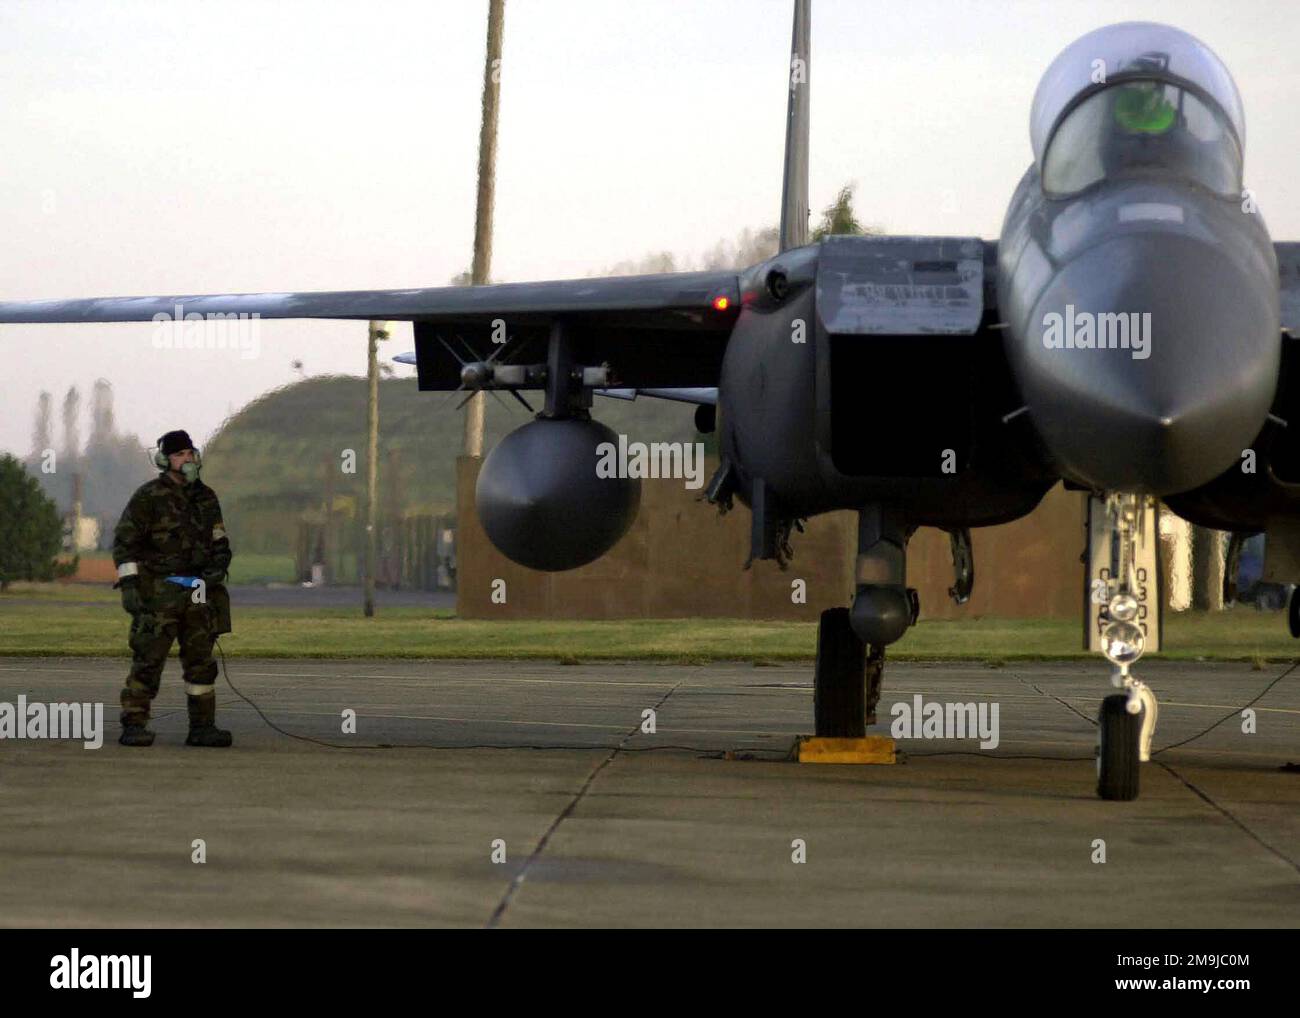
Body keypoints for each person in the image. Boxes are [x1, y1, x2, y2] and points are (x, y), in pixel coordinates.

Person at [112, 430, 233, 747]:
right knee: (148, 660)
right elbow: (125, 544)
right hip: (159, 591)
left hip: (197, 591)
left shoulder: (206, 497)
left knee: (201, 663)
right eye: (180, 455)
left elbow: (220, 540)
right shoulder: (148, 497)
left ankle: (202, 727)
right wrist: (130, 585)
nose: (187, 459)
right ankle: (134, 724)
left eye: (190, 453)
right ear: (164, 460)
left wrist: (217, 568)